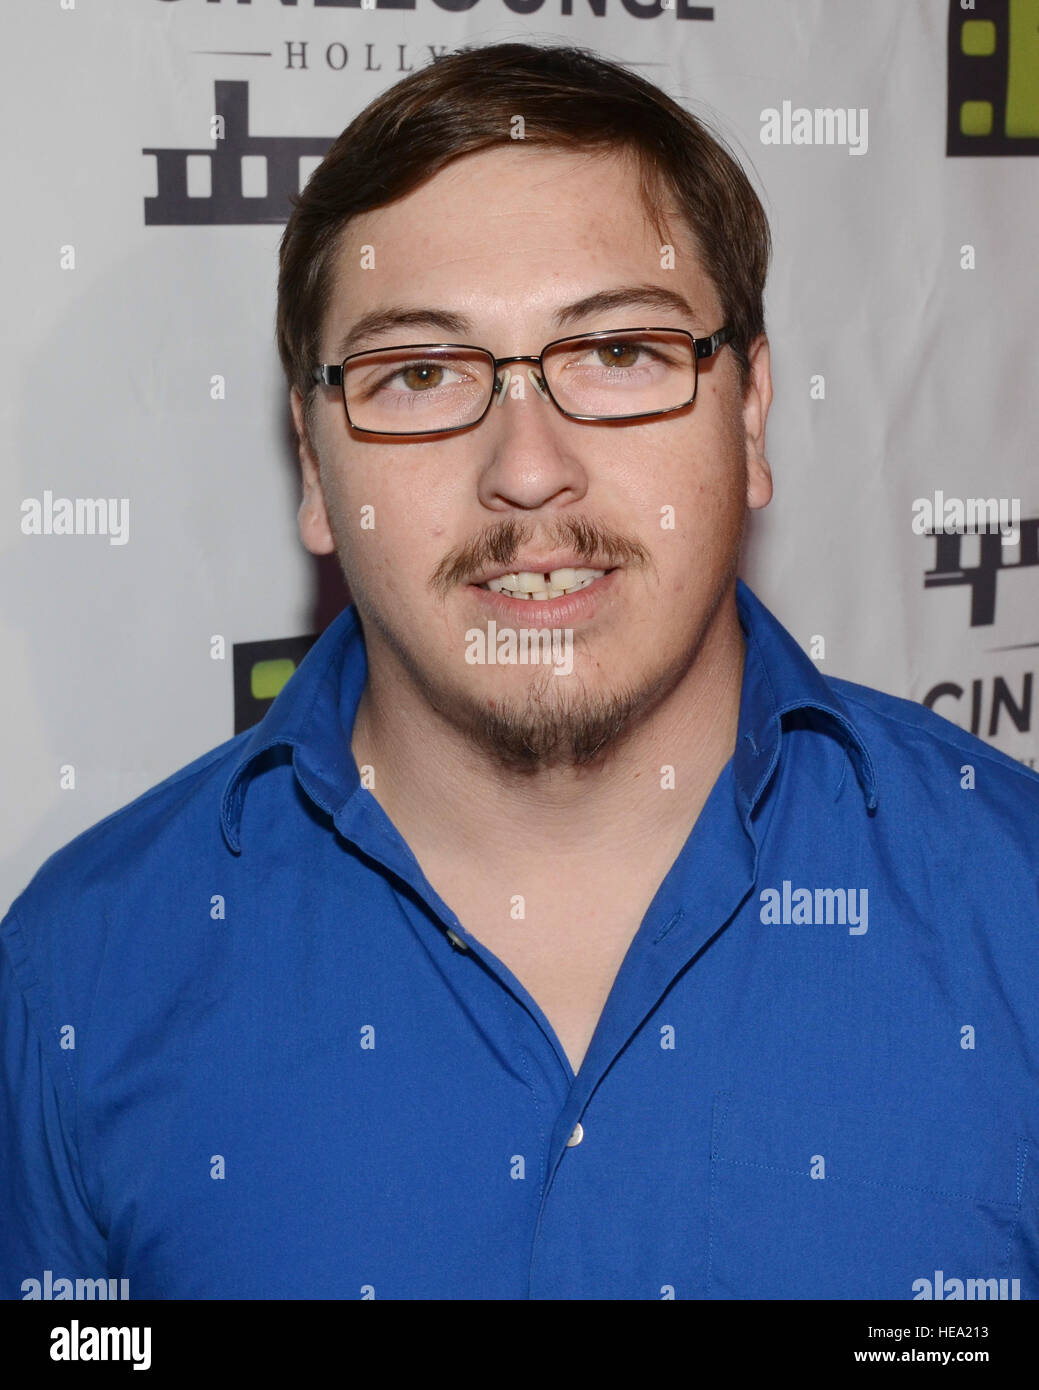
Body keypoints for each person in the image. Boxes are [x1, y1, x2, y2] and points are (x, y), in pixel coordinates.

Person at [2, 41, 1037, 1303]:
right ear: (314, 465)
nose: (529, 468)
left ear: (751, 416)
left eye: (618, 353)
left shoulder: (1011, 909)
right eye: (421, 374)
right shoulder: (79, 972)